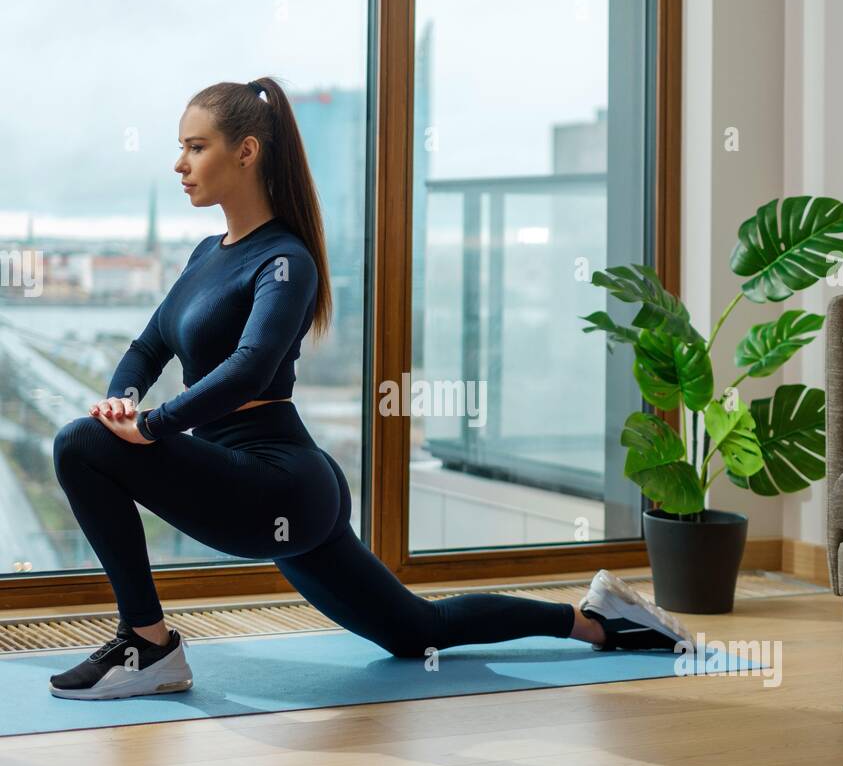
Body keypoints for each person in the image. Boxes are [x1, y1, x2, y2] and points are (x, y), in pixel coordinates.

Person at [49, 76, 695, 700]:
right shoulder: (203, 255)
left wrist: (153, 426)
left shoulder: (286, 261)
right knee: (418, 631)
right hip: (265, 486)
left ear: (245, 152)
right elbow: (147, 345)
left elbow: (249, 367)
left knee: (81, 445)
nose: (180, 164)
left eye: (196, 147)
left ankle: (148, 645)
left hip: (279, 483)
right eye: (181, 147)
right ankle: (598, 621)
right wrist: (123, 400)